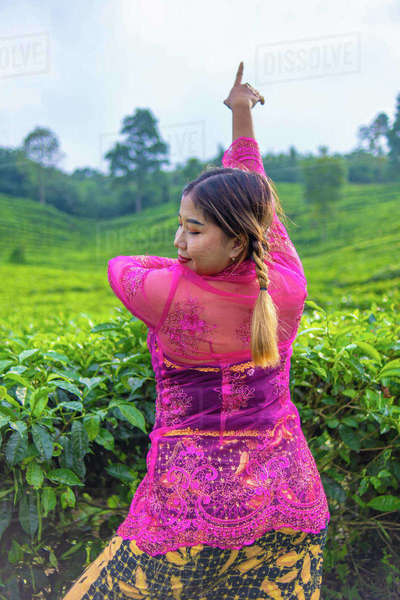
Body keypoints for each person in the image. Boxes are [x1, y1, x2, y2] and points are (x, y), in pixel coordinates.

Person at [63, 61, 330, 600]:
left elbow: (120, 265)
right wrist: (241, 116)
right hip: (288, 495)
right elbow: (254, 187)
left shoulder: (166, 293)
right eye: (178, 228)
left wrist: (174, 264)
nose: (179, 242)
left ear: (236, 240)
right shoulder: (286, 280)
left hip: (188, 508)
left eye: (193, 229)